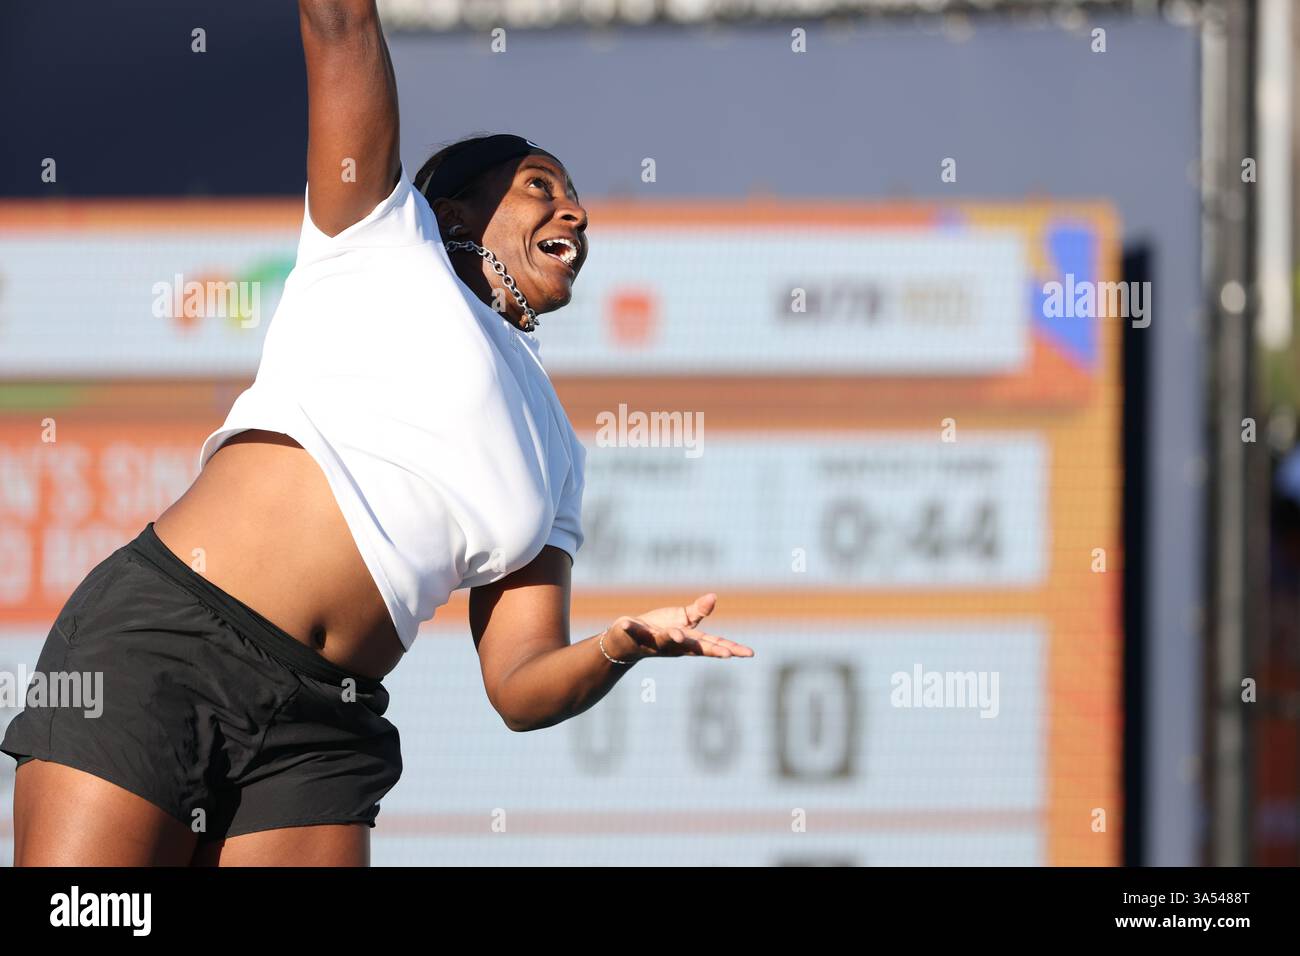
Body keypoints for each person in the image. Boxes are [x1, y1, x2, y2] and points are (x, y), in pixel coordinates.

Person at [2, 0, 752, 867]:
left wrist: (619, 646)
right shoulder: (382, 240)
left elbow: (520, 684)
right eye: (541, 187)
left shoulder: (557, 450)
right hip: (169, 642)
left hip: (324, 722)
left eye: (578, 200)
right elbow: (340, 26)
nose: (576, 214)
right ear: (454, 215)